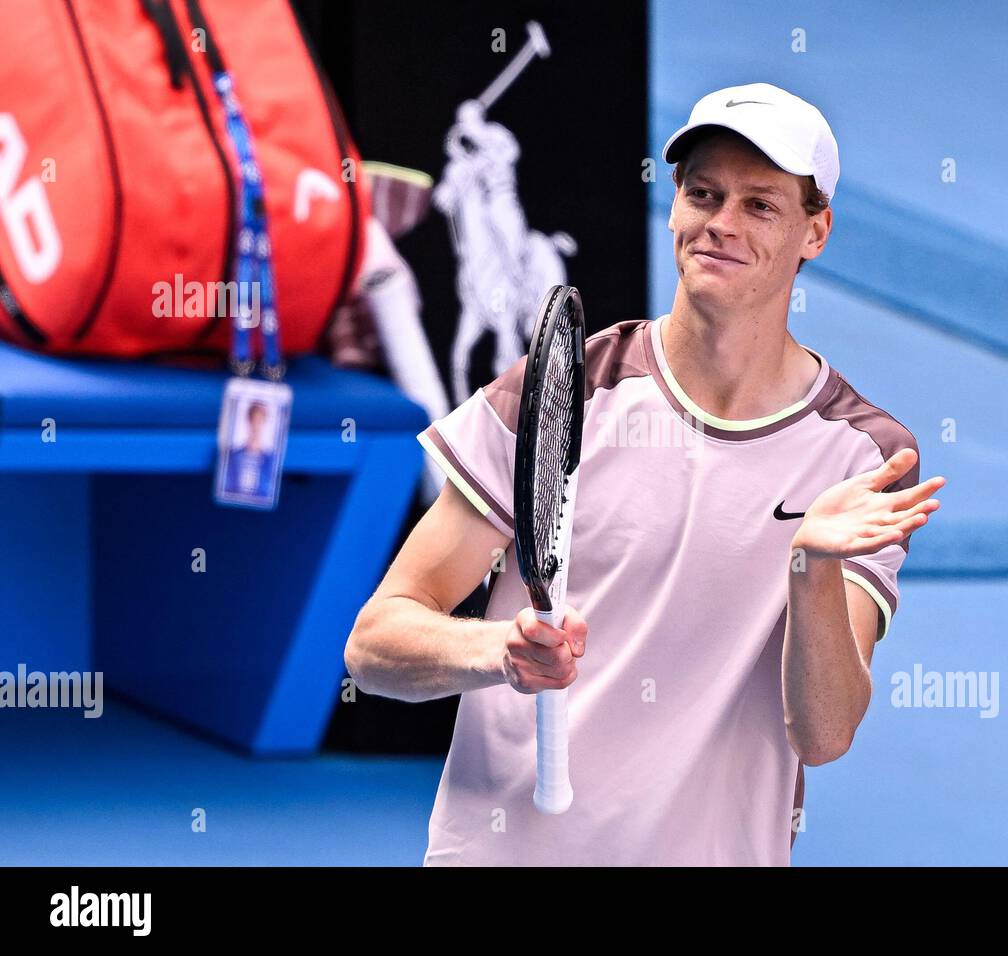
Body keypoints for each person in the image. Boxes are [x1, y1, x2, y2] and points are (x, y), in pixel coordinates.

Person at [344, 82, 946, 866]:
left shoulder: (862, 456)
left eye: (761, 205)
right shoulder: (567, 390)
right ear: (673, 209)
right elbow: (375, 644)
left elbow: (824, 733)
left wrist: (812, 566)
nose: (721, 224)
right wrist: (502, 653)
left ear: (816, 232)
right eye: (704, 194)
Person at [222, 400, 274, 499]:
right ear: (248, 421)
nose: (256, 426)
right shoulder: (233, 455)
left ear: (264, 423)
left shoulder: (270, 459)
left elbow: (267, 490)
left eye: (260, 421)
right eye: (254, 420)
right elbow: (227, 486)